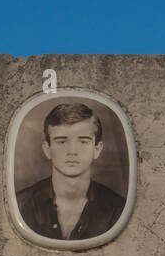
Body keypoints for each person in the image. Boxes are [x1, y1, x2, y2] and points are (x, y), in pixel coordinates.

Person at [16, 103, 126, 241]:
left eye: (83, 142)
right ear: (47, 149)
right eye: (61, 142)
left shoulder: (118, 209)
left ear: (97, 148)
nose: (72, 152)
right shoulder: (20, 205)